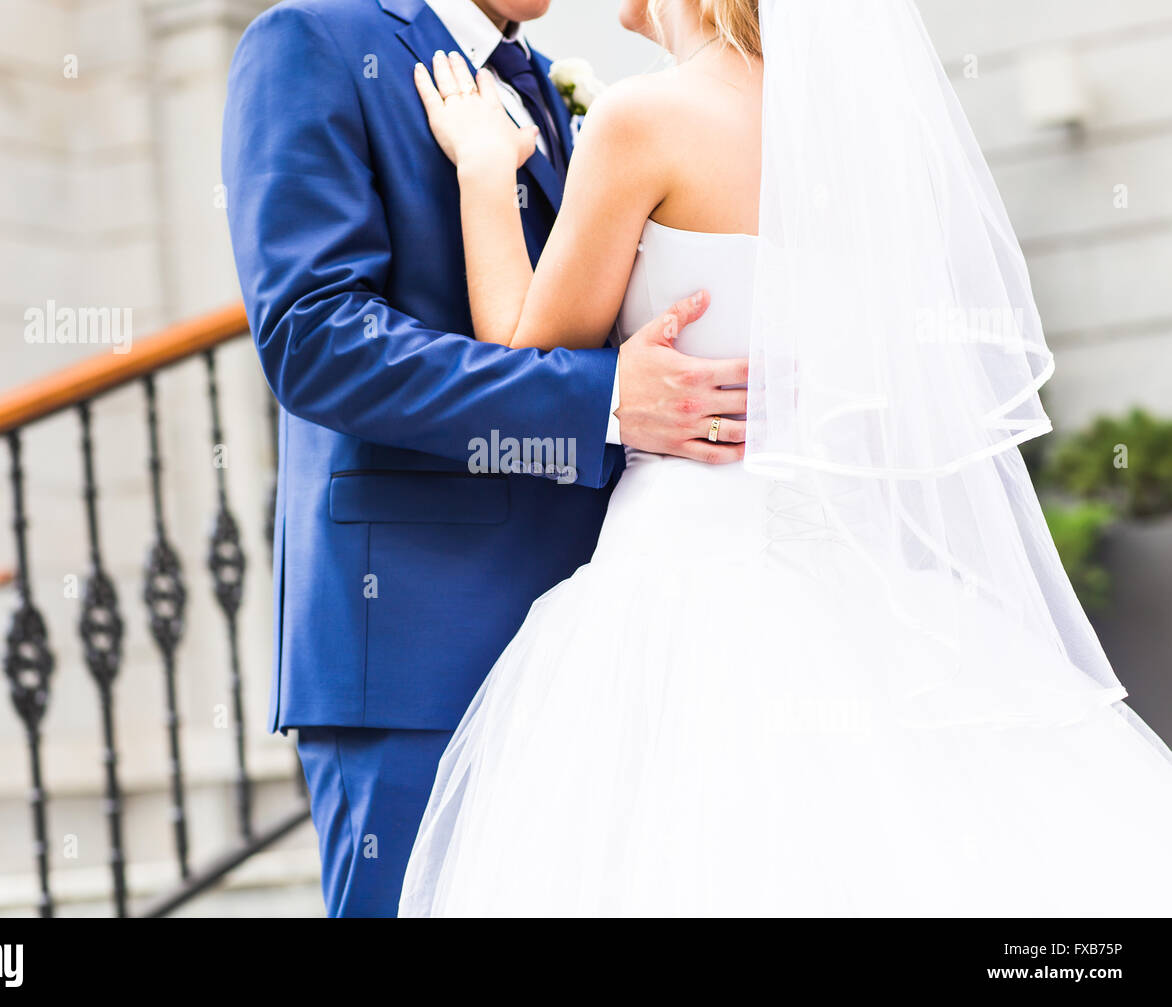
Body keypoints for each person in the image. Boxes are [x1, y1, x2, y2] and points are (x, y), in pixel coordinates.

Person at [398, 0, 1172, 916]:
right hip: (853, 573)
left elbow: (527, 356)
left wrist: (486, 173)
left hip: (684, 564)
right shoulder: (864, 141)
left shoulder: (645, 117)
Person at [221, 0, 747, 917]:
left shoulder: (553, 82)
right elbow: (315, 339)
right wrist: (606, 398)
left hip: (602, 623)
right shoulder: (312, 41)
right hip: (421, 634)